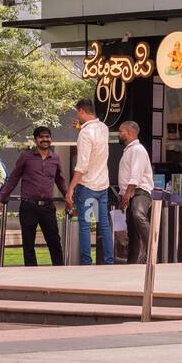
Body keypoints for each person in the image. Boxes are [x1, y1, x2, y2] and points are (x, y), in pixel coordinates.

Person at [0, 127, 66, 266]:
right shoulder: (25, 157)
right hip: (28, 206)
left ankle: (60, 273)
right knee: (28, 244)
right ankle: (31, 276)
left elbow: (60, 180)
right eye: (41, 137)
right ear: (35, 140)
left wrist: (68, 196)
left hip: (47, 207)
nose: (45, 139)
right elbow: (14, 178)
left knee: (54, 242)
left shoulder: (55, 158)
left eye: (47, 137)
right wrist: (1, 197)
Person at [66, 99, 114, 265]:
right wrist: (81, 126)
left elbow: (82, 166)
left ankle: (86, 262)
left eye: (77, 113)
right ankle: (109, 262)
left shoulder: (85, 134)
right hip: (102, 186)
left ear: (80, 111)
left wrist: (70, 189)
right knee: (104, 226)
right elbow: (95, 139)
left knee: (85, 226)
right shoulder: (103, 128)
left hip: (87, 187)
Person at [117, 121, 155, 264]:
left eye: (121, 131)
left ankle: (152, 246)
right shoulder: (128, 150)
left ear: (129, 132)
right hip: (130, 193)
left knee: (138, 214)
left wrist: (127, 194)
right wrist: (124, 195)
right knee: (132, 231)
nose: (119, 134)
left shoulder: (137, 150)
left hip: (140, 192)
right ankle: (131, 263)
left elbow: (135, 176)